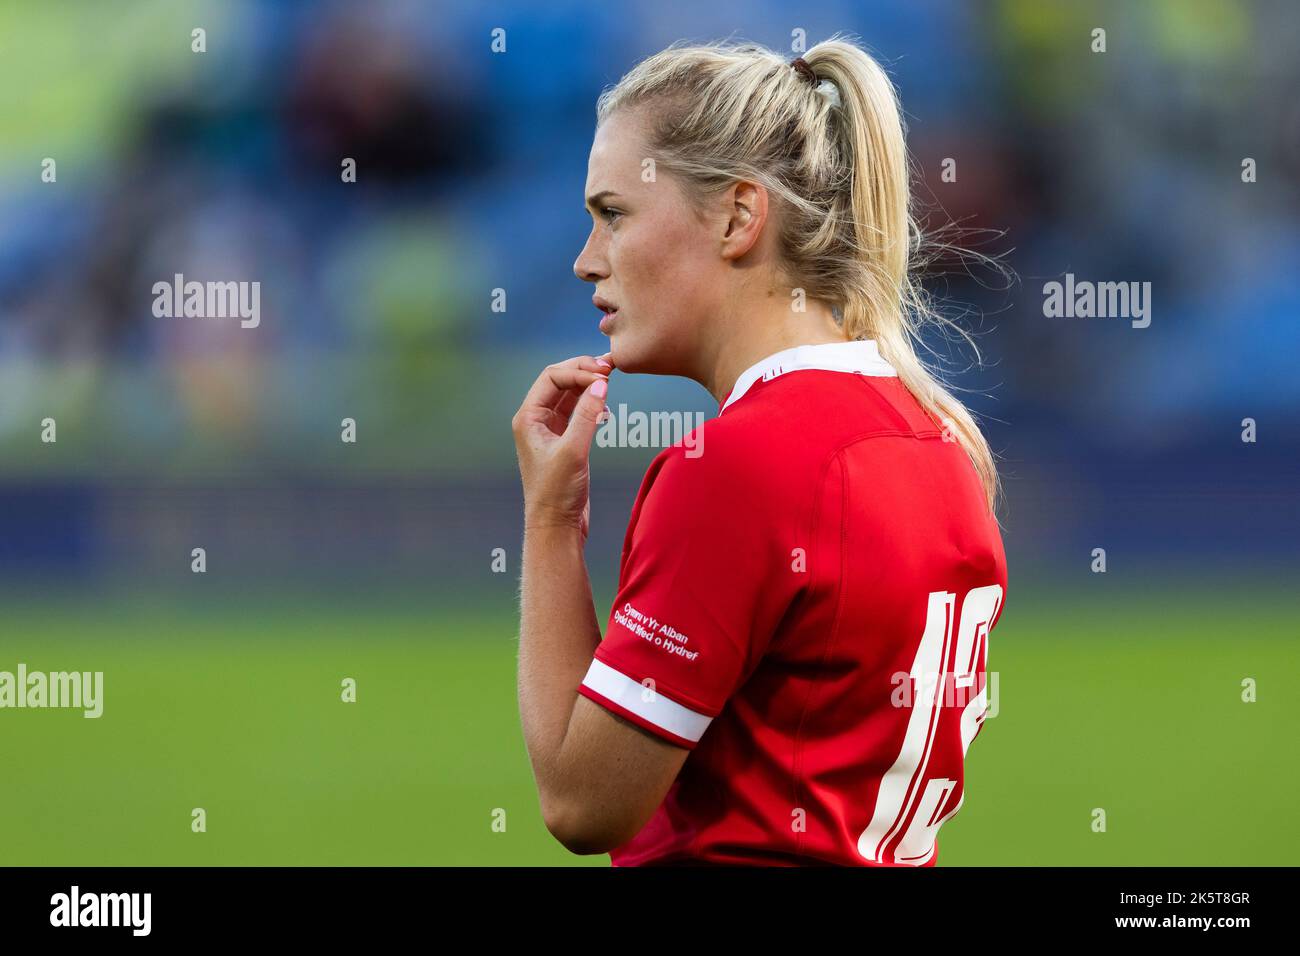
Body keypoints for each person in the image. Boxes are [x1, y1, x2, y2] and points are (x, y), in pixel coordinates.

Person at [512, 36, 1007, 866]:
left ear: (740, 216)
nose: (585, 258)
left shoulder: (738, 468)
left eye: (614, 213)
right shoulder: (945, 444)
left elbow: (582, 802)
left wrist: (551, 519)